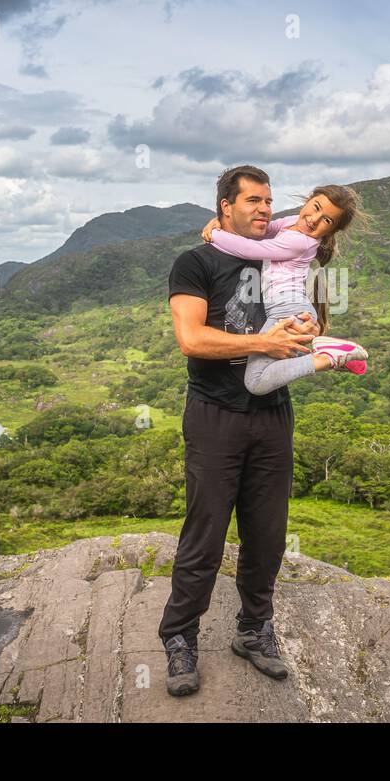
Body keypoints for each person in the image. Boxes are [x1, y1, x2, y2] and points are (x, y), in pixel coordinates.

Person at [157, 164, 319, 697]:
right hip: (214, 415)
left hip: (272, 413)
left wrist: (307, 329)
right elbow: (192, 339)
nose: (265, 209)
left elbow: (303, 322)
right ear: (225, 206)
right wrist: (262, 345)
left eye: (269, 201)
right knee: (205, 533)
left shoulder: (284, 254)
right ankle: (180, 638)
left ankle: (253, 630)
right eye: (252, 201)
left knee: (267, 533)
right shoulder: (197, 261)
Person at [199, 183, 371, 394]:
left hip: (286, 311)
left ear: (332, 230)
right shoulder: (292, 223)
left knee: (256, 381)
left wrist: (215, 234)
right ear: (308, 200)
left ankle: (331, 358)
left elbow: (250, 248)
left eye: (327, 220)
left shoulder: (300, 241)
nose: (314, 219)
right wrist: (222, 223)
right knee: (276, 369)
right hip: (293, 309)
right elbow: (261, 231)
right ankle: (340, 359)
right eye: (316, 207)